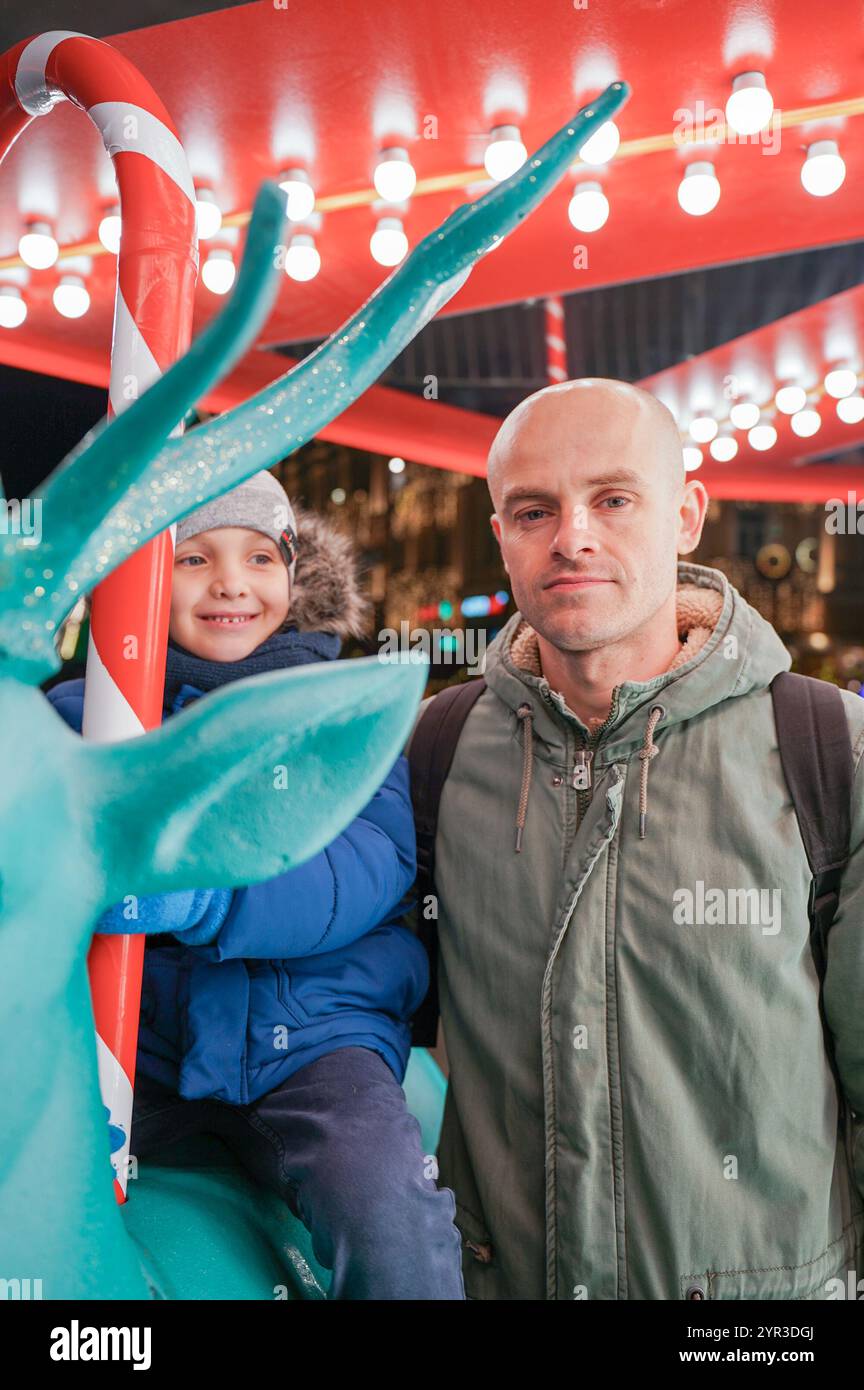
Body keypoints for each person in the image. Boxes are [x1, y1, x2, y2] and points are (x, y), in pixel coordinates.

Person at [405, 378, 864, 1300]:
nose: (572, 534)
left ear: (687, 515)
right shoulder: (438, 753)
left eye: (613, 499)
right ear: (502, 535)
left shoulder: (829, 751)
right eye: (535, 509)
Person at [46, 469, 465, 1301]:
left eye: (258, 558)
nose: (231, 582)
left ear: (296, 574)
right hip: (144, 1045)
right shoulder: (83, 721)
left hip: (313, 1042)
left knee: (385, 1211)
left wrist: (206, 896)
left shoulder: (342, 716)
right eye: (194, 558)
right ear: (144, 578)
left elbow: (357, 874)